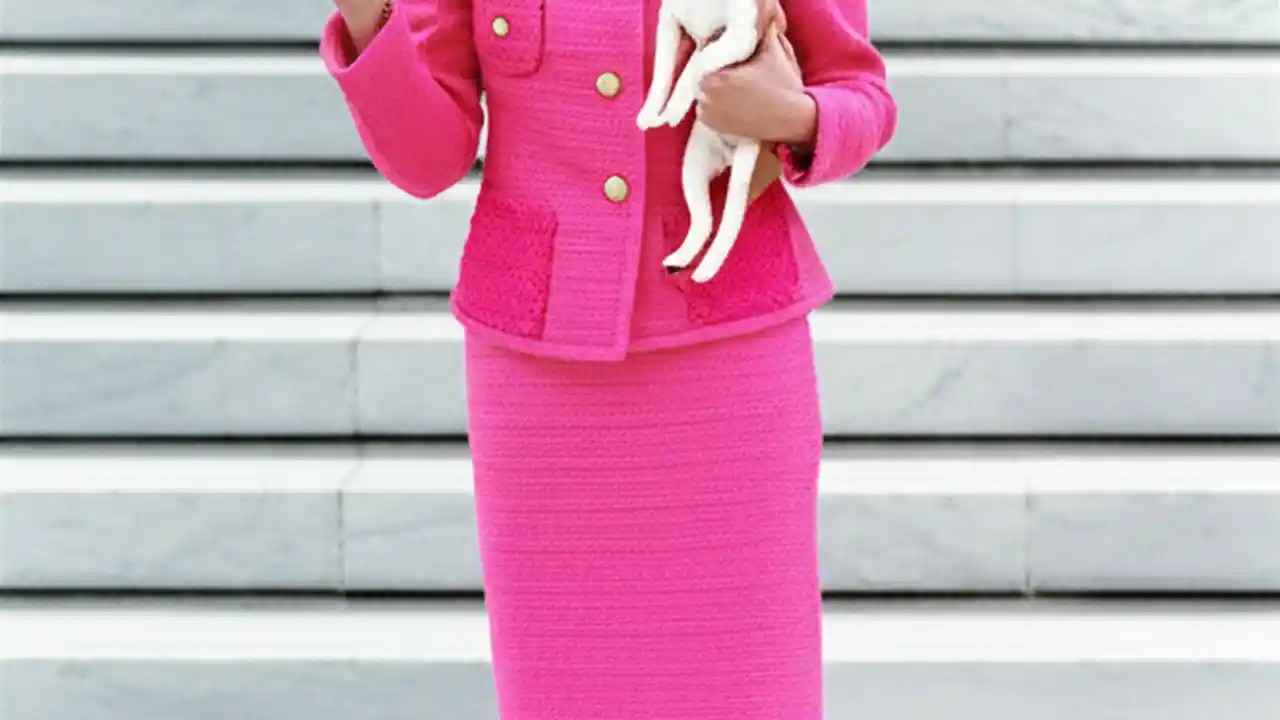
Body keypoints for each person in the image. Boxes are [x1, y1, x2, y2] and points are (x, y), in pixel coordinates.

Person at [319, 0, 896, 716]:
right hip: (539, 369)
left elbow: (863, 94)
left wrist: (792, 116)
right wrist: (369, 17)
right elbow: (426, 159)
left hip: (730, 356)